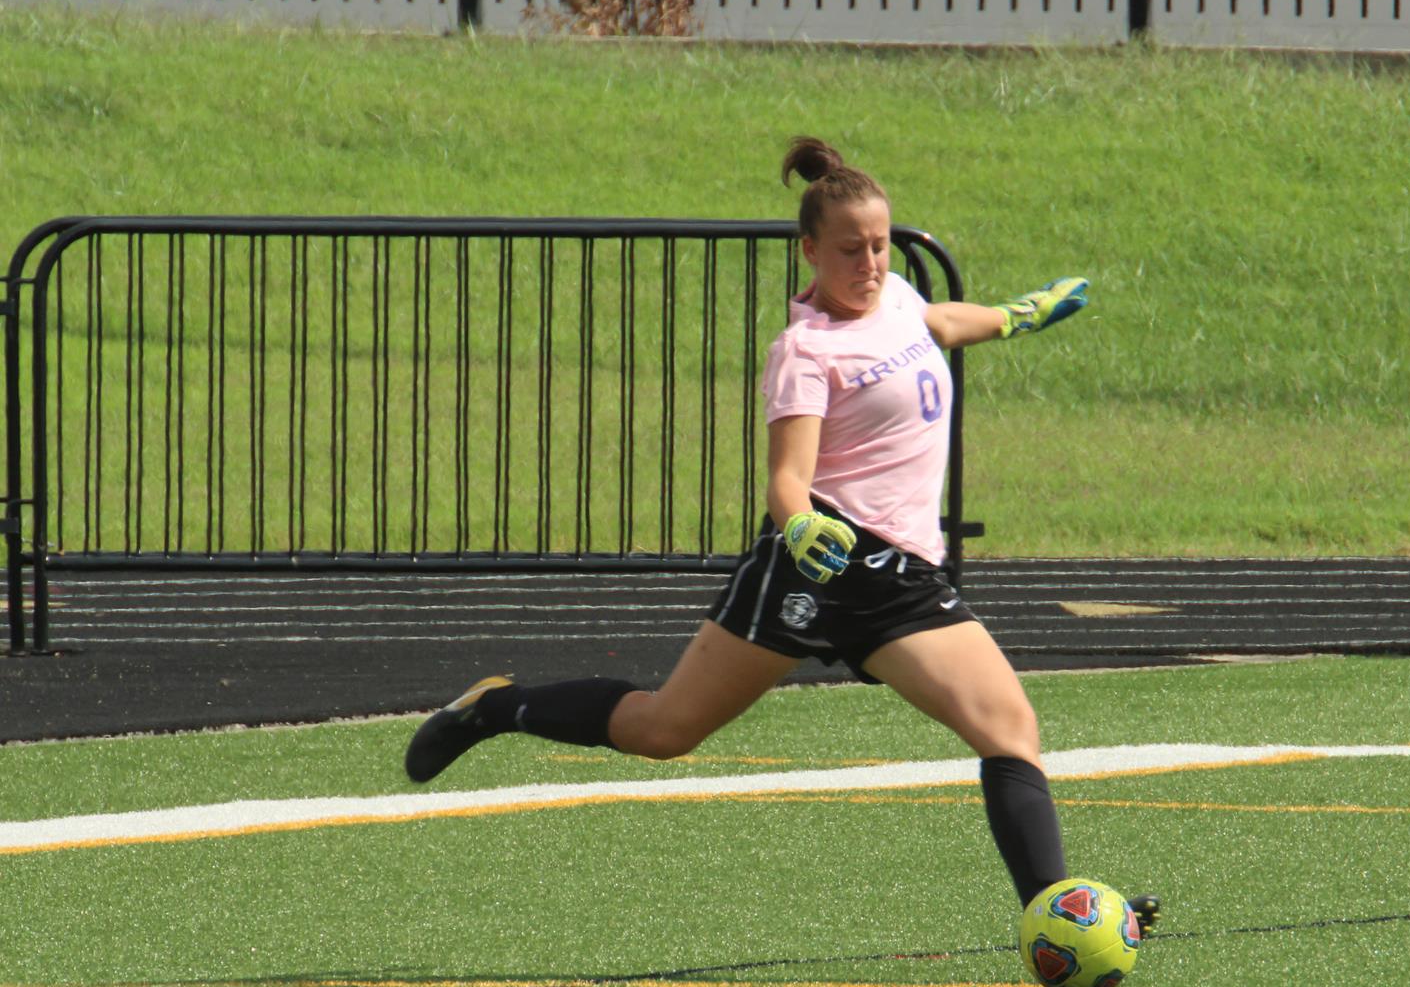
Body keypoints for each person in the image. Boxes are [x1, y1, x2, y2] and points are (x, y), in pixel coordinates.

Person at [404, 136, 1156, 932]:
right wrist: (797, 527)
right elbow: (787, 479)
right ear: (808, 250)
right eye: (849, 250)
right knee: (667, 730)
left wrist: (1017, 314)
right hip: (815, 569)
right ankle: (496, 708)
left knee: (1008, 728)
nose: (869, 263)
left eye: (878, 245)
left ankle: (1058, 915)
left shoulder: (896, 296)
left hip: (901, 580)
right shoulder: (804, 351)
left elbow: (940, 321)